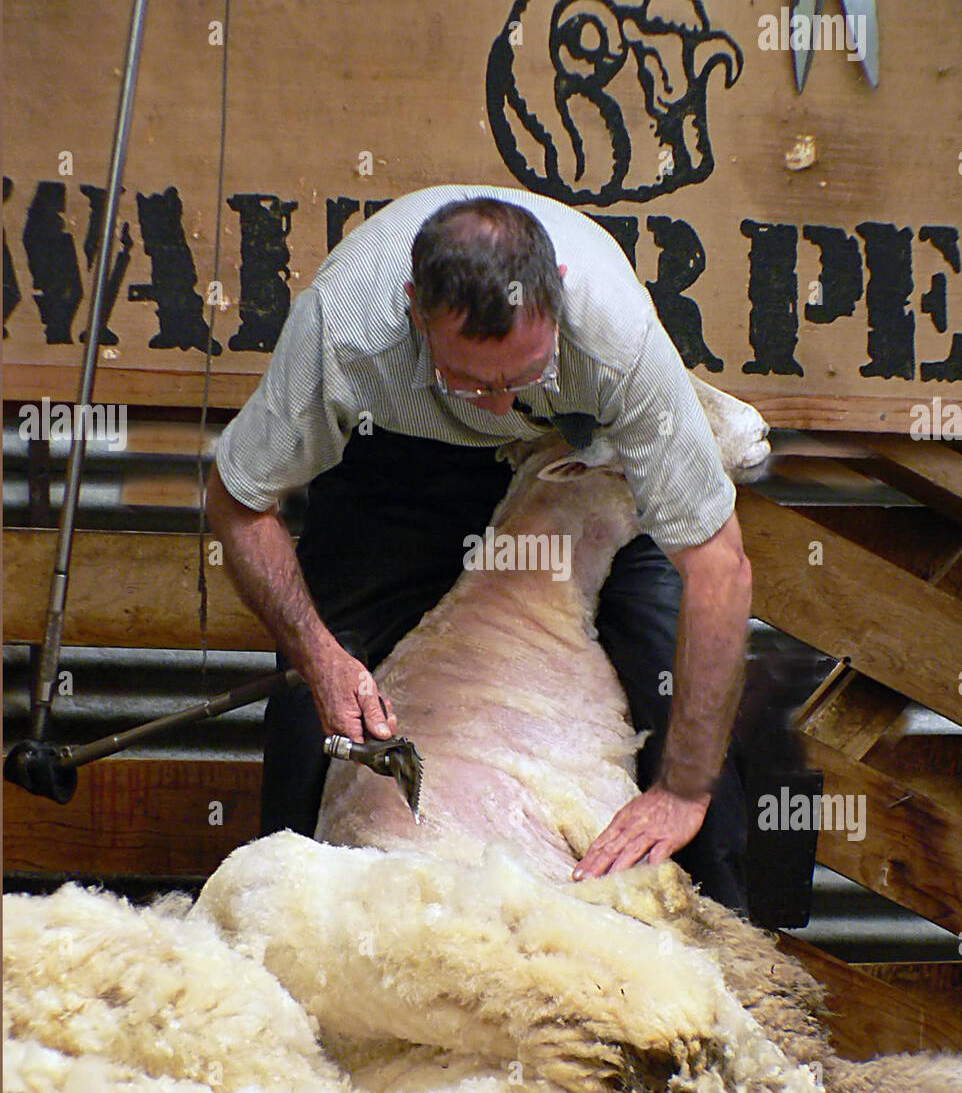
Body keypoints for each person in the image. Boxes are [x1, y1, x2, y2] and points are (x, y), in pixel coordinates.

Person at [205, 185, 753, 908]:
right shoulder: (344, 328)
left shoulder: (615, 337)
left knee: (671, 672)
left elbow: (719, 564)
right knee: (320, 715)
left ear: (557, 297)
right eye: (468, 374)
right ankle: (286, 935)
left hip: (577, 450)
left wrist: (682, 790)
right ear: (412, 307)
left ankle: (732, 954)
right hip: (400, 458)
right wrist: (316, 653)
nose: (496, 402)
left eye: (517, 373)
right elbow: (238, 498)